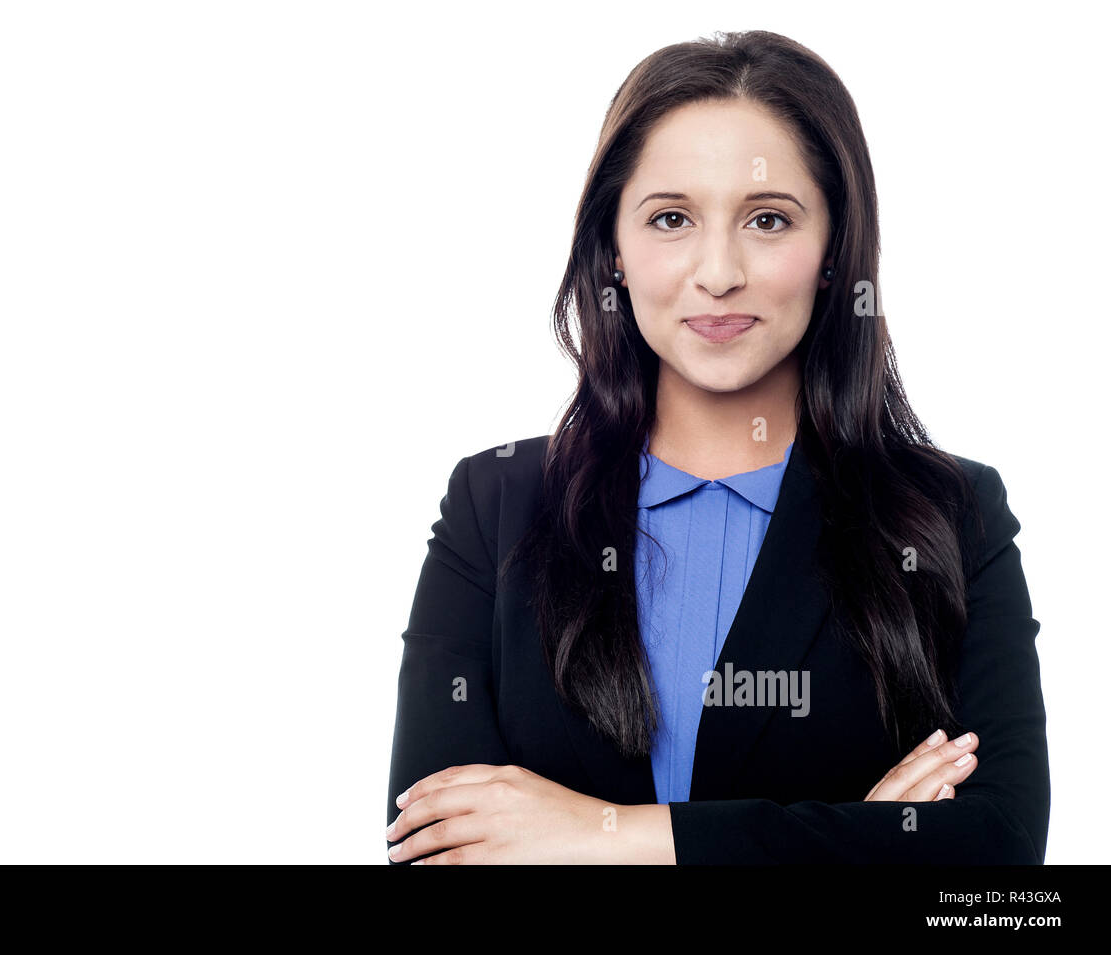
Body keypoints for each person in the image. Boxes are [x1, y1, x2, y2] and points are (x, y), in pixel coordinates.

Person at [385, 30, 1048, 864]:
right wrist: (856, 840)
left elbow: (998, 863)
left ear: (835, 250)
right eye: (671, 218)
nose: (719, 271)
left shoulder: (952, 514)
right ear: (614, 251)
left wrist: (605, 836)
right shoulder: (496, 503)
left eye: (768, 219)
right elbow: (433, 846)